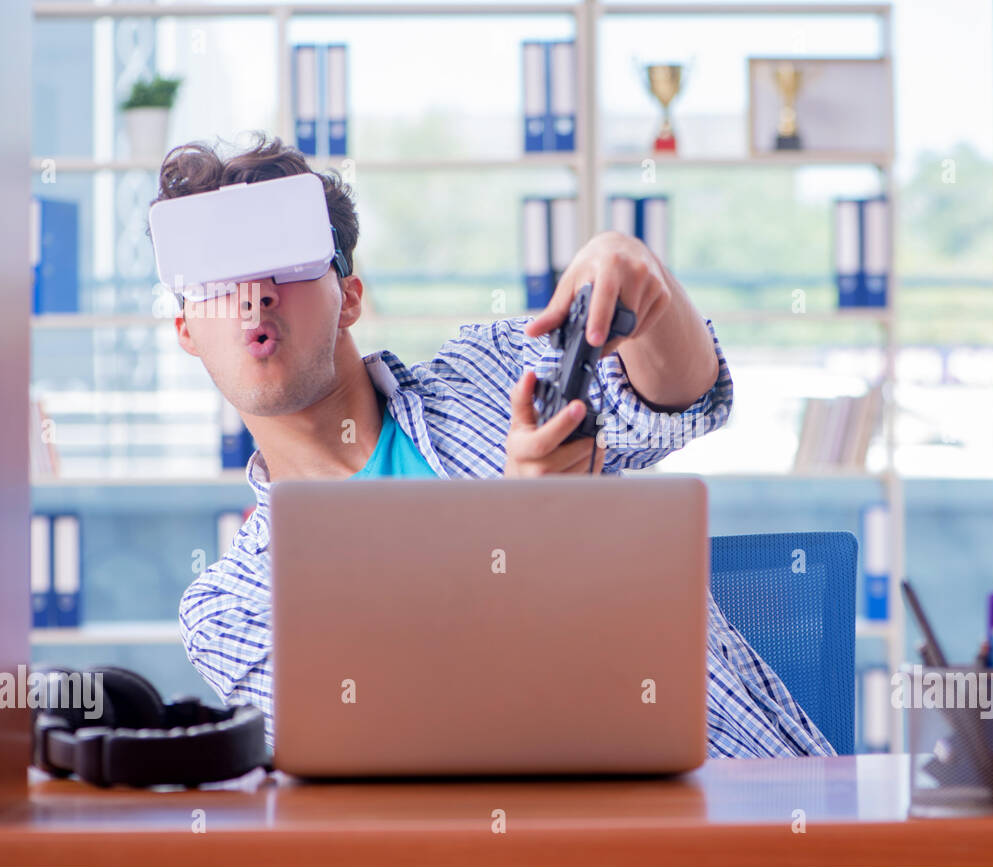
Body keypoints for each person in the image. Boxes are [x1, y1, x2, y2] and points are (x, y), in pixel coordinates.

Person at [158, 132, 835, 760]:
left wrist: (644, 290)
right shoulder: (232, 609)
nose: (256, 295)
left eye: (286, 259)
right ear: (187, 328)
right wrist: (518, 538)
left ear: (350, 297)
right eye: (222, 276)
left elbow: (681, 399)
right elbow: (399, 748)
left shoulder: (494, 372)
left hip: (754, 809)